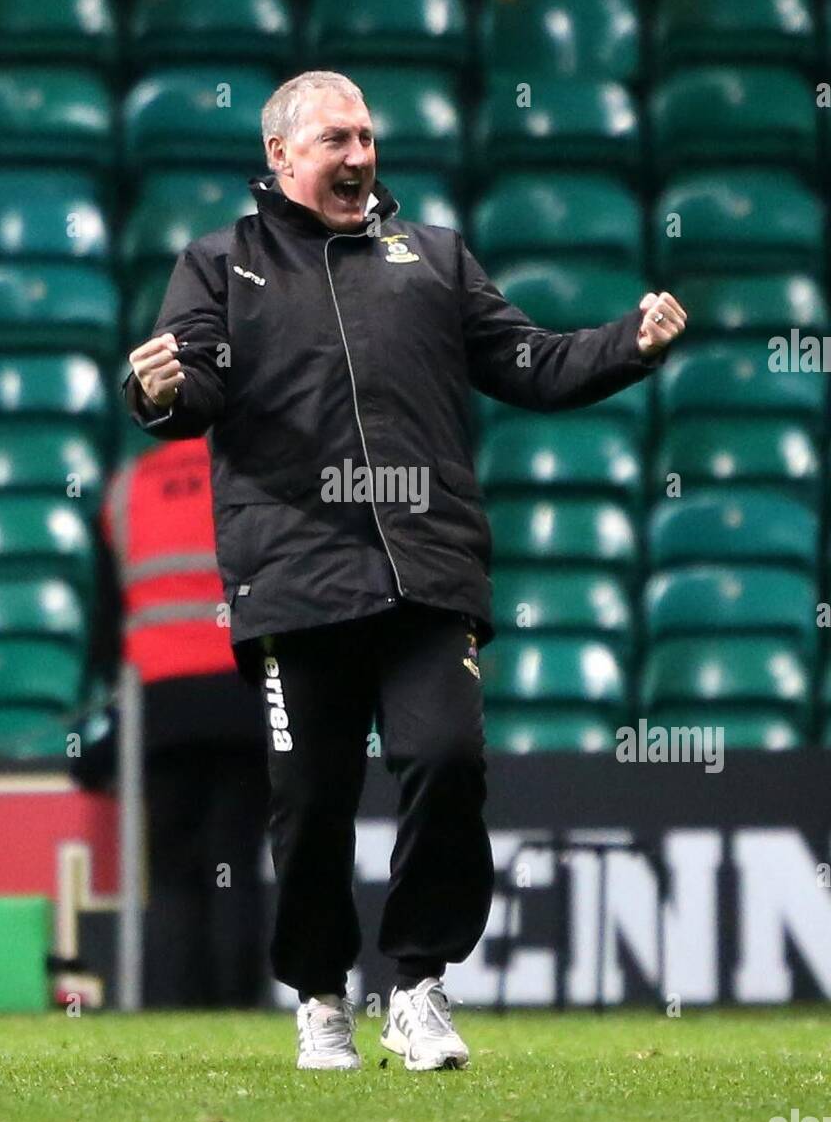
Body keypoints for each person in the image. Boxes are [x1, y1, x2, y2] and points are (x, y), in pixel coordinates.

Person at [123, 70, 687, 1070]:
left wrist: (627, 346)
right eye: (336, 139)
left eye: (368, 137)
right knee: (310, 808)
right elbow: (193, 384)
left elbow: (528, 363)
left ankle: (419, 986)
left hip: (427, 571)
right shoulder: (221, 262)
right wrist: (154, 388)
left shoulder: (433, 257)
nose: (359, 157)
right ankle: (319, 994)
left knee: (446, 759)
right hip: (295, 577)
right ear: (282, 158)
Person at [99, 437, 269, 1007]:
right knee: (235, 865)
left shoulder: (127, 489)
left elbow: (107, 620)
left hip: (162, 705)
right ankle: (240, 1010)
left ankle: (172, 1007)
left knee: (172, 874)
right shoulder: (252, 470)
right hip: (241, 696)